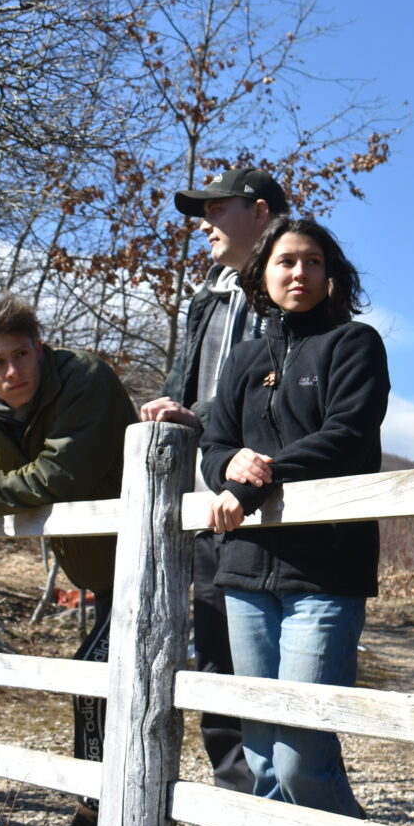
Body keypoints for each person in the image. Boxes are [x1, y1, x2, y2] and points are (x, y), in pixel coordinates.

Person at [0, 296, 137, 826]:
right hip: (102, 571)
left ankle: (106, 808)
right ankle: (106, 803)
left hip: (153, 560)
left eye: (21, 354)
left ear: (41, 348)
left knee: (101, 676)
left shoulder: (86, 379)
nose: (12, 371)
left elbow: (57, 477)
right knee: (102, 680)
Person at [199, 217, 389, 816]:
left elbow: (346, 438)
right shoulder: (243, 361)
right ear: (262, 276)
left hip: (326, 571)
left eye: (311, 261)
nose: (299, 273)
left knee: (300, 755)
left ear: (331, 276)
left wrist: (254, 483)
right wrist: (233, 462)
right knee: (260, 759)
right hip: (246, 573)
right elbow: (213, 448)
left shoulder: (354, 345)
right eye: (285, 262)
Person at [140, 165, 288, 793]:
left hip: (274, 498)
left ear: (259, 212)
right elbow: (188, 384)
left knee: (279, 659)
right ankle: (238, 793)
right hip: (207, 499)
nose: (204, 225)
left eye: (216, 209)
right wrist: (173, 409)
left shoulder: (299, 281)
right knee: (216, 648)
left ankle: (293, 793)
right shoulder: (210, 296)